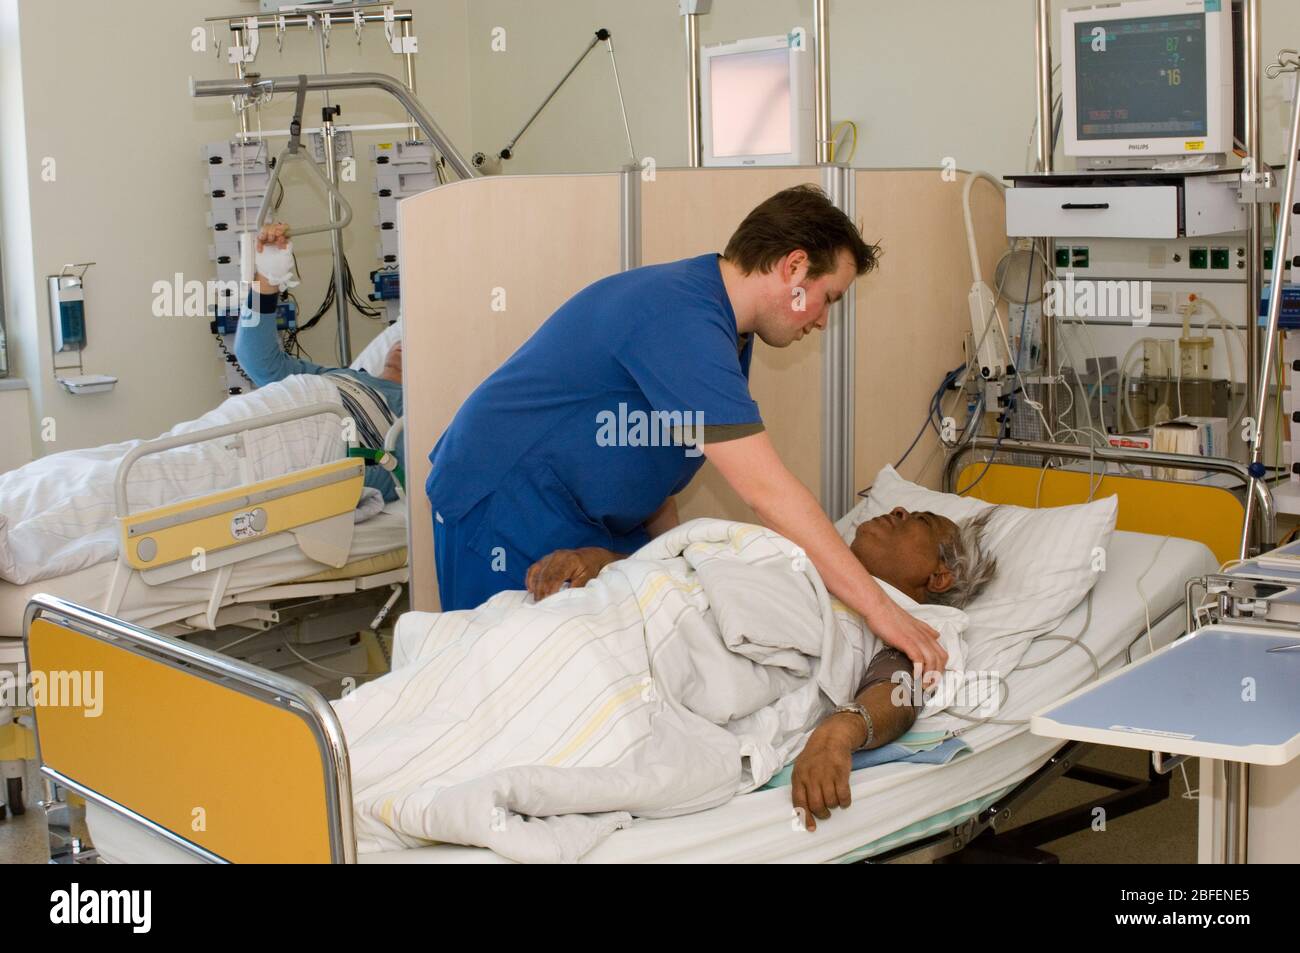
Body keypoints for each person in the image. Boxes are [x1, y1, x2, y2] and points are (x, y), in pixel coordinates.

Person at [427, 185, 949, 676]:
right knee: (504, 681)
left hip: (585, 517)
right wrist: (884, 613)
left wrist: (668, 565)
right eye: (829, 298)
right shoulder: (682, 318)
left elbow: (661, 460)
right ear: (794, 266)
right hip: (506, 508)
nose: (822, 321)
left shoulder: (727, 330)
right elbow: (765, 489)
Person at [789, 506, 997, 831]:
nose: (898, 509)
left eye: (921, 520)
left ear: (939, 577)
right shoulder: (808, 566)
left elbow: (900, 686)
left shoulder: (920, 621)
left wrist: (836, 736)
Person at [234, 223, 405, 501]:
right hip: (264, 413)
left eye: (418, 343)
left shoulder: (413, 417)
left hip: (305, 449)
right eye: (404, 337)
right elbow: (257, 359)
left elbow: (396, 477)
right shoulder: (342, 376)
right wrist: (267, 281)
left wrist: (324, 489)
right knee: (174, 455)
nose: (403, 343)